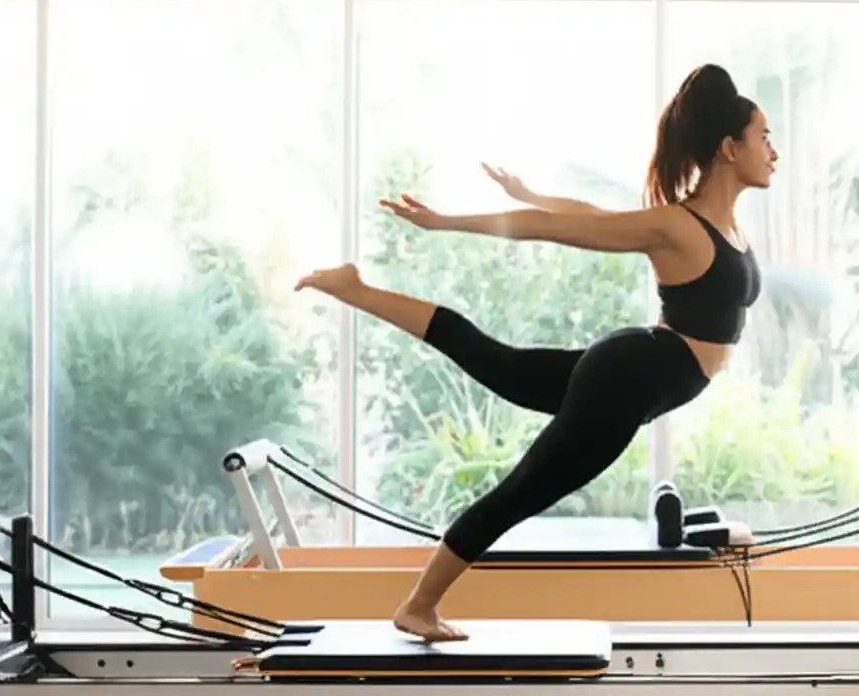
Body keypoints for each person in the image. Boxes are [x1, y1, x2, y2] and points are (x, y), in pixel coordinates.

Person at [295, 63, 778, 642]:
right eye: (764, 137)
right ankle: (418, 605)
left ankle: (355, 289)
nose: (773, 151)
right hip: (628, 380)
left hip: (636, 370)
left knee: (496, 361)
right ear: (729, 148)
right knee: (522, 490)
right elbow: (551, 229)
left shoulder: (720, 226)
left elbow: (586, 213)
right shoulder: (679, 226)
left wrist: (532, 191)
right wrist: (447, 222)